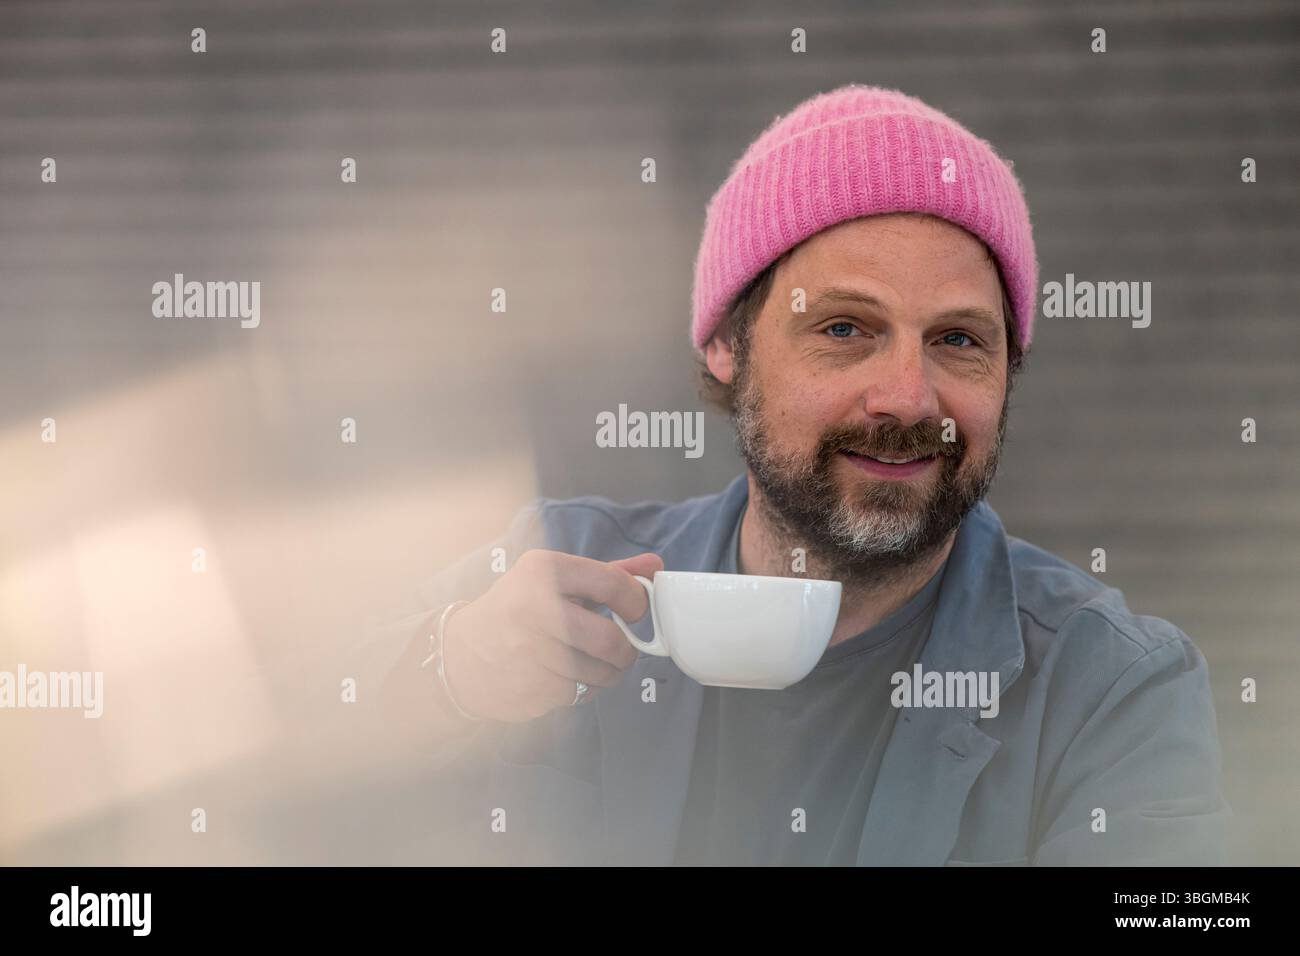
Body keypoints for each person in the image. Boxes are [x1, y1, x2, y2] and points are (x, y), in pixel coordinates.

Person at [359, 84, 1230, 866]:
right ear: (727, 346)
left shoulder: (1112, 690)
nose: (904, 397)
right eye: (845, 329)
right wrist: (446, 674)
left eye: (958, 340)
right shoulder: (560, 567)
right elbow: (284, 739)